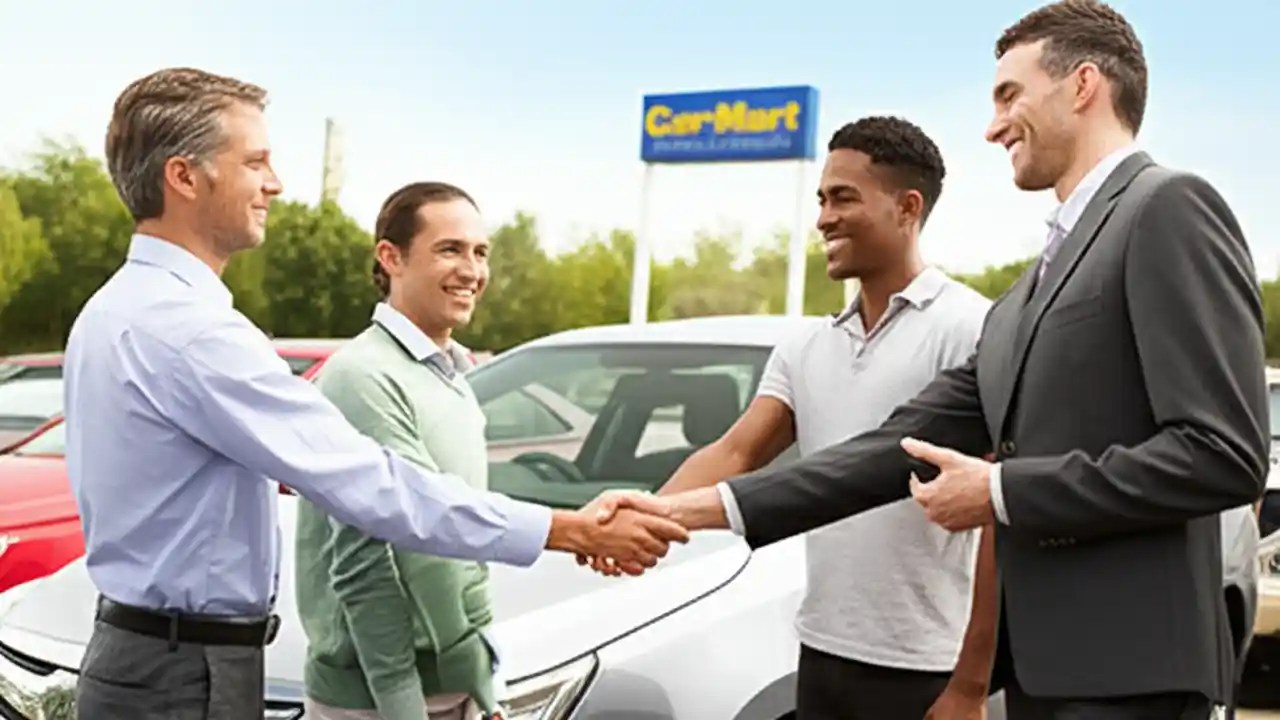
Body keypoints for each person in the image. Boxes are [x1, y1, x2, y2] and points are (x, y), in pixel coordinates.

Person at [616, 1, 1270, 718]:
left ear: (1084, 85)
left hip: (1132, 679)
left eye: (1009, 96)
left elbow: (1222, 454)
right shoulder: (1027, 294)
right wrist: (678, 511)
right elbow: (886, 452)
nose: (993, 127)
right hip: (1048, 679)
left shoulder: (1167, 207)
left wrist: (1001, 492)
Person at [64, 67, 685, 719]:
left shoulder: (116, 309)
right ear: (184, 177)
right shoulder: (191, 331)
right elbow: (369, 485)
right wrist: (567, 529)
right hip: (185, 676)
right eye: (255, 161)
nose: (275, 183)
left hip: (153, 658)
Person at [651, 117, 996, 720]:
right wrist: (637, 517)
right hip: (820, 653)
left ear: (907, 208)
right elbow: (735, 453)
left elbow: (997, 516)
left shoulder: (971, 328)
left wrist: (971, 685)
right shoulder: (806, 346)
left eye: (843, 198)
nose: (824, 218)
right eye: (820, 200)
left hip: (928, 664)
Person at [295, 181, 510, 720]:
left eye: (480, 252)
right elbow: (363, 561)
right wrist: (401, 705)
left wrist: (483, 688)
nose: (471, 270)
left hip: (451, 688)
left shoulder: (451, 373)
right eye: (450, 250)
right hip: (377, 701)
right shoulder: (363, 376)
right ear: (391, 258)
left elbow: (462, 544)